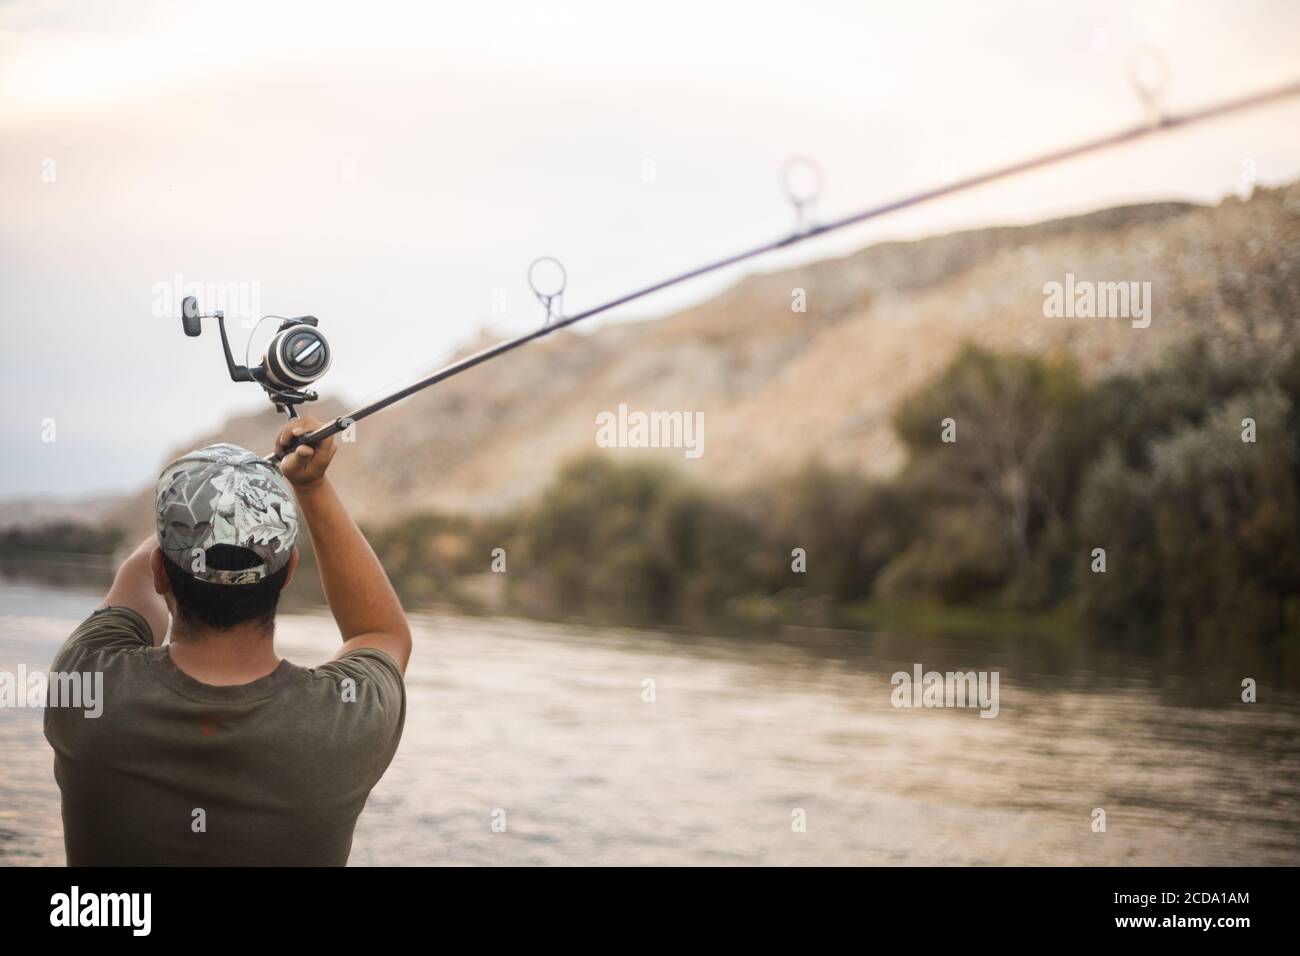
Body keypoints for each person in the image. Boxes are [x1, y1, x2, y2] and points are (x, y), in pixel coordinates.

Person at [43, 418, 411, 865]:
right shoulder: (347, 719)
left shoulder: (84, 682)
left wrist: (213, 491)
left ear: (163, 569)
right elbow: (379, 632)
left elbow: (137, 579)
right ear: (289, 572)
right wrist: (311, 488)